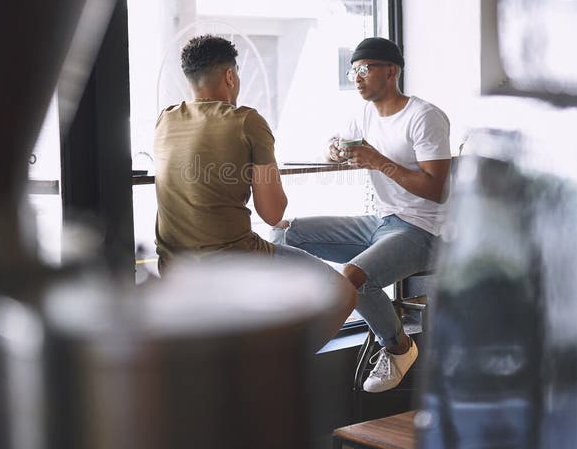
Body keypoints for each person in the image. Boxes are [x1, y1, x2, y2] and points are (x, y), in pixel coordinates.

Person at [272, 37, 451, 392]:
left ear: (391, 71)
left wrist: (378, 162)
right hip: (379, 222)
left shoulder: (424, 116)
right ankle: (300, 315)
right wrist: (335, 151)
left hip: (422, 230)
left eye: (365, 68)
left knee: (355, 276)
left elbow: (436, 190)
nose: (356, 76)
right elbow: (338, 150)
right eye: (353, 69)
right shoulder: (364, 115)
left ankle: (398, 347)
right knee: (284, 234)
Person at [153, 34, 356, 347]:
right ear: (230, 76)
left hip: (173, 267)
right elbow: (273, 213)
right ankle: (286, 370)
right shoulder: (246, 121)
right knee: (342, 293)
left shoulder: (165, 120)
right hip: (233, 261)